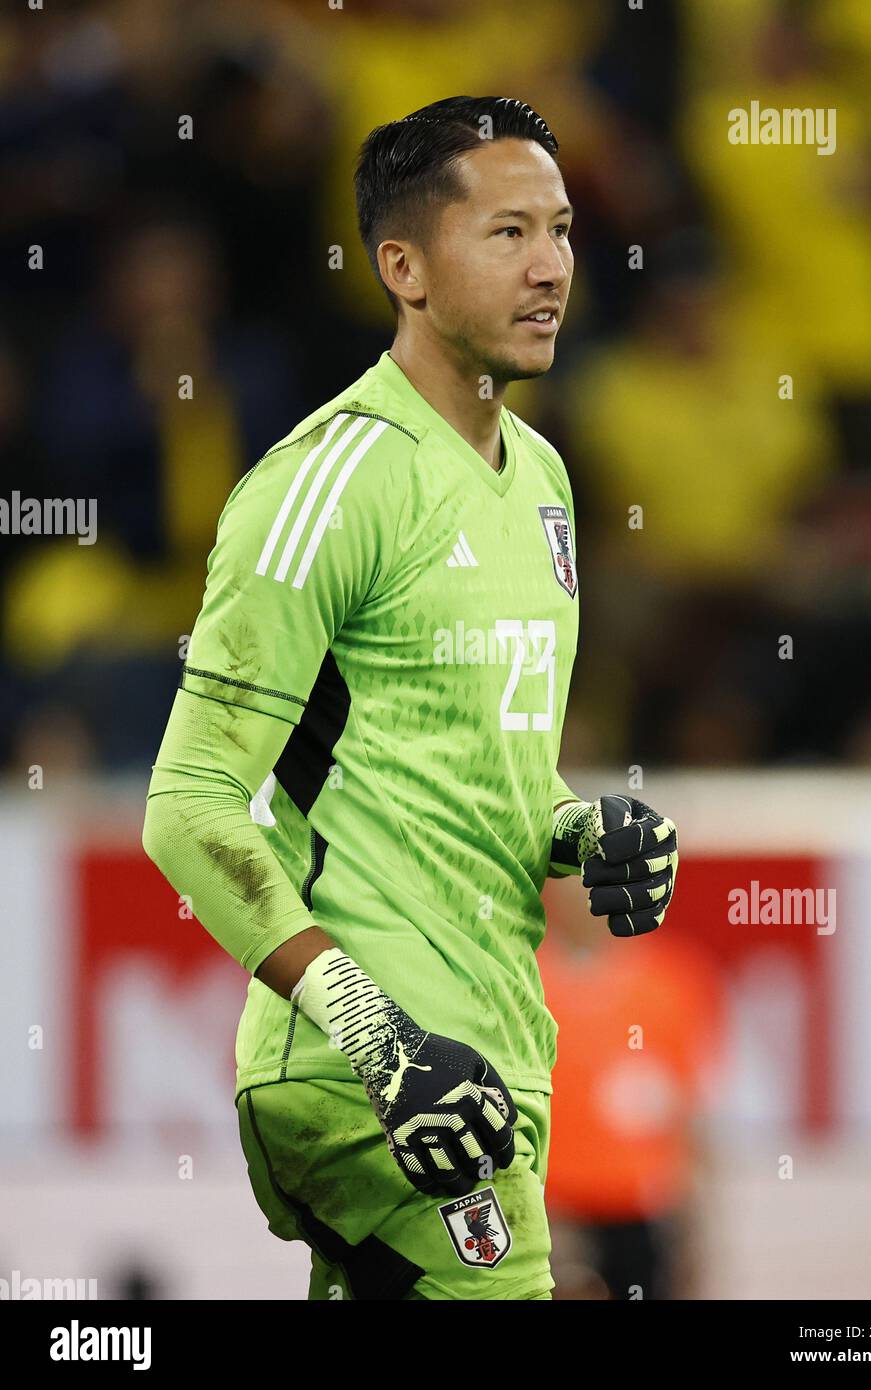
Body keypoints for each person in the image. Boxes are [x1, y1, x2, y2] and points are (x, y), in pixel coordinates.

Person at [142, 95, 679, 1302]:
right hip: (366, 1066)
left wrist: (582, 829)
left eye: (562, 229)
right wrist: (377, 1039)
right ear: (405, 267)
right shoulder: (325, 484)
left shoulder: (540, 477)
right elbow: (186, 803)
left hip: (490, 1048)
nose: (551, 268)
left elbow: (466, 769)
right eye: (506, 234)